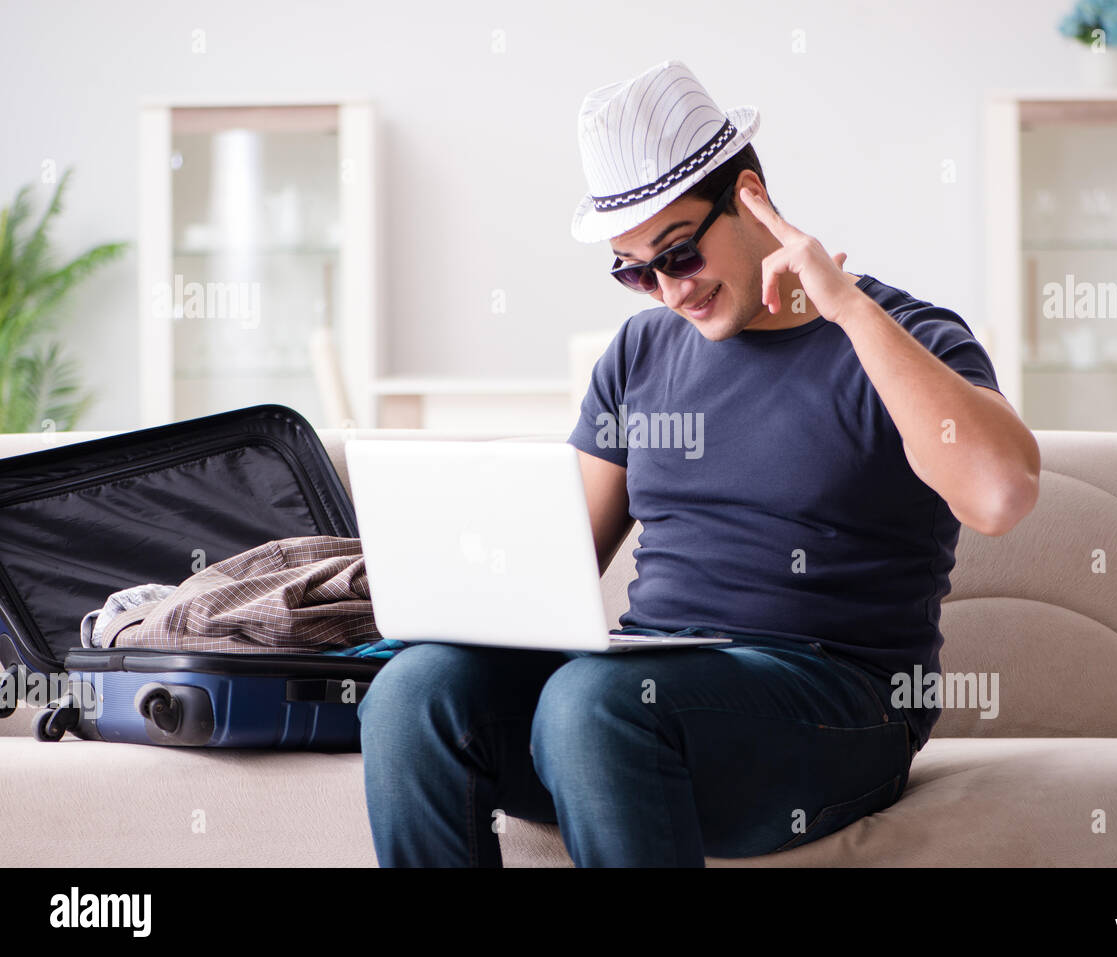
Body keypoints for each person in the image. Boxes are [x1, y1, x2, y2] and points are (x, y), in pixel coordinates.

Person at [358, 58, 1040, 867]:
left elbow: (1000, 494)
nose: (668, 291)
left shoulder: (900, 334)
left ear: (749, 193)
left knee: (593, 706)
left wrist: (848, 307)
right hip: (645, 696)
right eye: (634, 270)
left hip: (836, 705)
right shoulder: (642, 352)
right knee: (412, 693)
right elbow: (552, 570)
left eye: (678, 253)